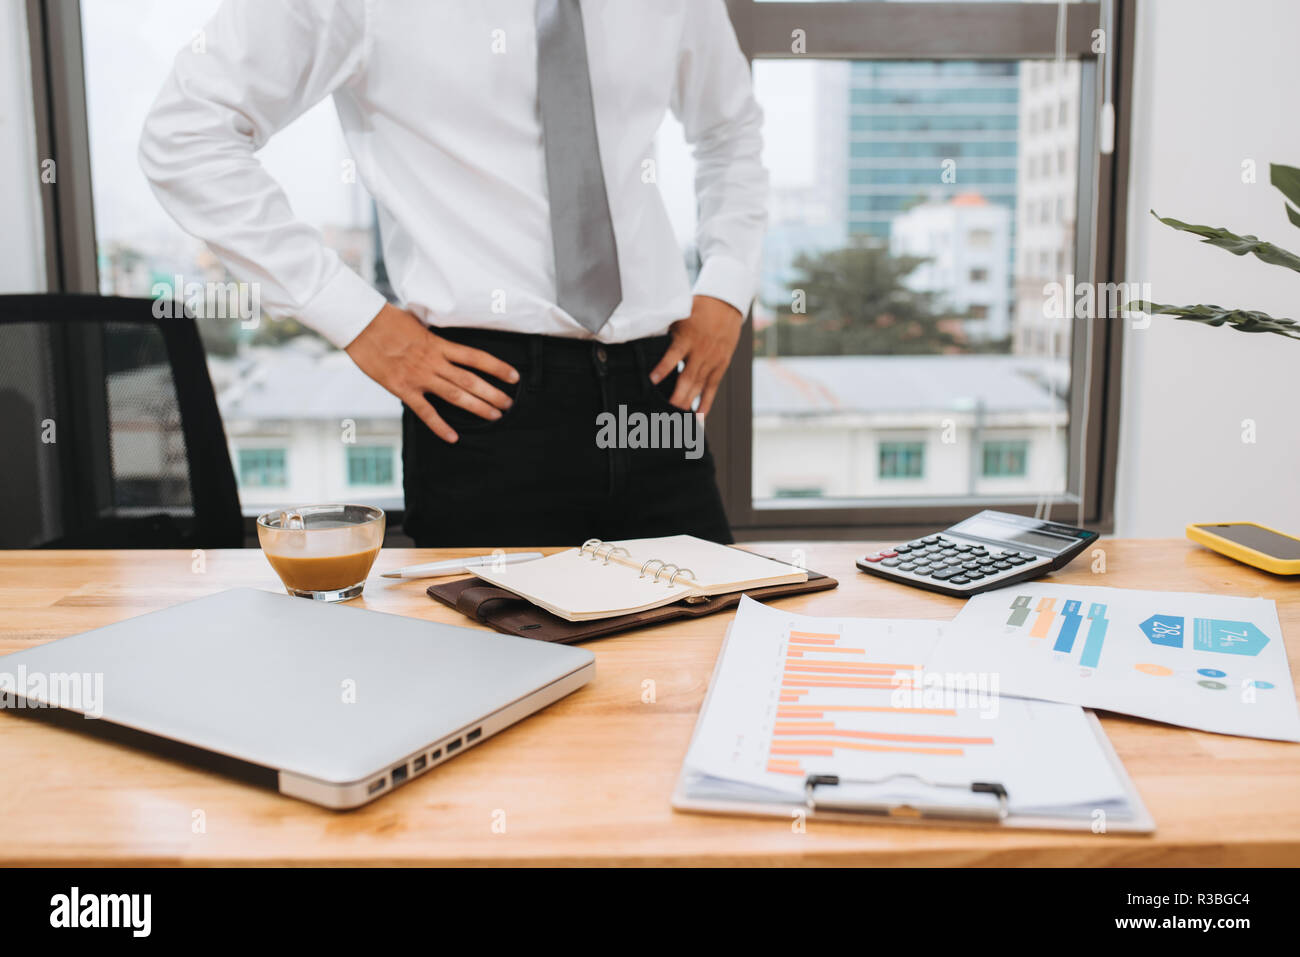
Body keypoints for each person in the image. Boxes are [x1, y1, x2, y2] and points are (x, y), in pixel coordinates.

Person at [140, 0, 767, 545]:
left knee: (703, 667)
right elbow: (186, 135)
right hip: (486, 402)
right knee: (506, 676)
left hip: (655, 390)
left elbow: (730, 127)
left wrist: (727, 286)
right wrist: (358, 320)